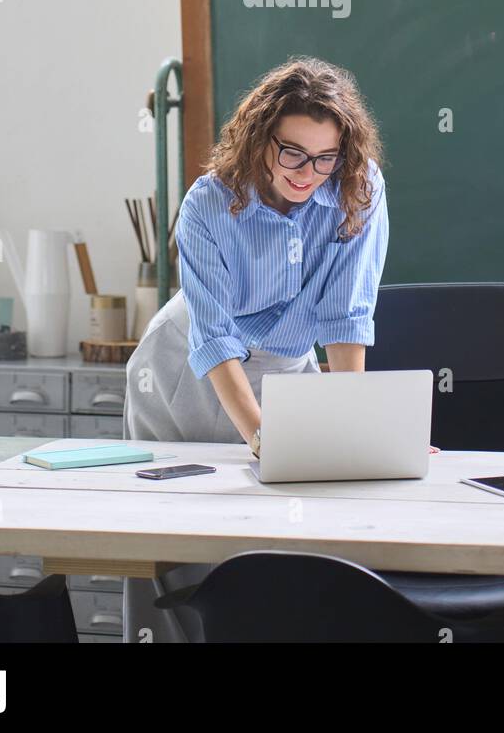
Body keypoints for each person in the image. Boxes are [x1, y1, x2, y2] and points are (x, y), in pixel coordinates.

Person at [122, 54, 389, 642]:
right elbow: (214, 336)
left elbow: (345, 317)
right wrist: (265, 438)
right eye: (292, 151)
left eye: (325, 157)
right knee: (172, 538)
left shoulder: (357, 187)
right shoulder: (209, 203)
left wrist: (360, 436)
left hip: (288, 363)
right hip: (187, 366)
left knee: (292, 535)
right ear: (259, 137)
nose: (307, 171)